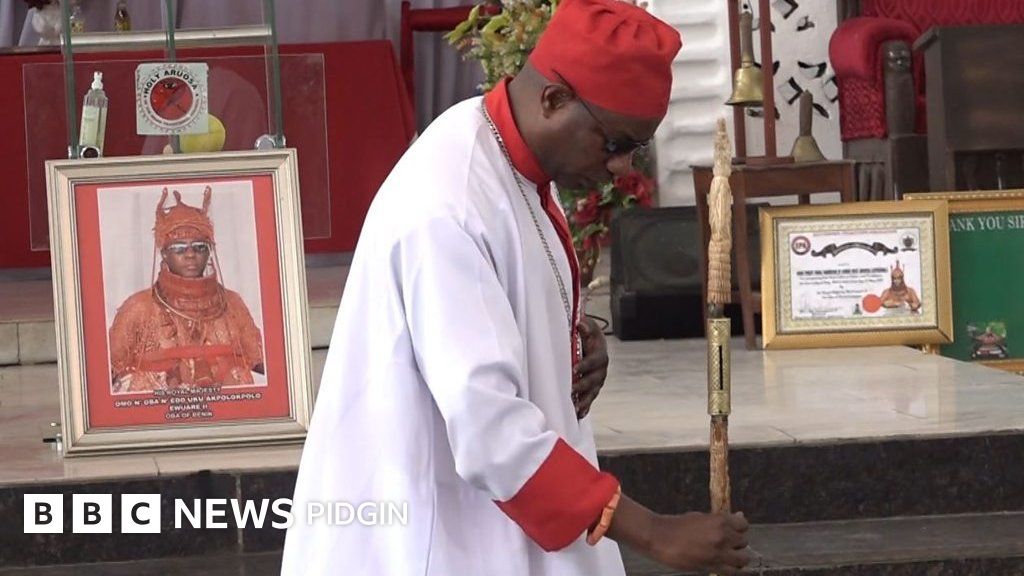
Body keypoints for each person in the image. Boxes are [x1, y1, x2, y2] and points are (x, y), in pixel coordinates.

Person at [282, 0, 750, 574]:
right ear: (554, 99)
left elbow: (509, 302)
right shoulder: (448, 204)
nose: (622, 168)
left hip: (496, 518)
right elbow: (487, 427)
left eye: (637, 149)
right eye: (615, 144)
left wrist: (569, 343)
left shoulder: (516, 160)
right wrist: (652, 532)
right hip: (438, 534)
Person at [108, 186, 265, 392]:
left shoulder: (232, 304)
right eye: (179, 248)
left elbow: (262, 363)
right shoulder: (138, 308)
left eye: (199, 247)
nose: (190, 255)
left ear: (209, 252)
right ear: (164, 254)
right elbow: (107, 371)